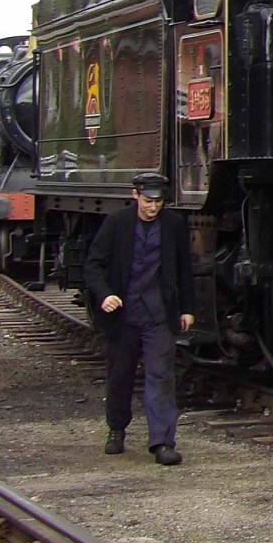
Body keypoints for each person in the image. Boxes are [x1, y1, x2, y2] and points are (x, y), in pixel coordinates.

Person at [83, 171, 195, 465]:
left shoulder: (173, 225)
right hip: (124, 313)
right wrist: (105, 294)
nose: (153, 207)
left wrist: (187, 308)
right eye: (148, 201)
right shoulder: (116, 224)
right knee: (120, 375)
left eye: (158, 202)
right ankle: (116, 428)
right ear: (135, 196)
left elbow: (184, 268)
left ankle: (162, 442)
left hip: (158, 314)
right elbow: (94, 265)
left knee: (160, 376)